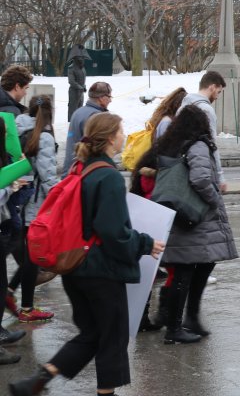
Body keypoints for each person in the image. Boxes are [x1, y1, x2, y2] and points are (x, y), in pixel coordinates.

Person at [8, 112, 166, 395]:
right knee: (113, 336)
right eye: (121, 131)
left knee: (92, 333)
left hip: (74, 266)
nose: (123, 136)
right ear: (110, 138)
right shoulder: (108, 176)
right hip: (100, 270)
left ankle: (38, 380)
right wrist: (145, 243)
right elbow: (113, 232)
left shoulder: (79, 168)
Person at [141, 105, 237, 344]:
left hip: (177, 214)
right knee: (186, 271)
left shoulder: (170, 144)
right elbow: (201, 178)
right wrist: (214, 199)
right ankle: (176, 327)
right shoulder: (198, 145)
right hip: (195, 216)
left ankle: (182, 320)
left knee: (193, 267)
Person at [7, 96, 58, 323]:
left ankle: (10, 292)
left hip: (15, 198)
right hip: (35, 204)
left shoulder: (16, 129)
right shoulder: (44, 136)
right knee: (33, 256)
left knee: (29, 254)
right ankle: (26, 308)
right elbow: (47, 176)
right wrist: (59, 200)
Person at [178, 71, 228, 193]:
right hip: (201, 167)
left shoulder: (183, 106)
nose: (217, 97)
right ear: (212, 87)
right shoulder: (207, 110)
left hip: (182, 166)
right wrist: (220, 176)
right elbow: (212, 144)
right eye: (218, 92)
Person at [62, 80, 111, 175]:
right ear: (101, 98)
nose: (110, 100)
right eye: (109, 97)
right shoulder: (95, 116)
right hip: (84, 172)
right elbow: (97, 148)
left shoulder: (78, 112)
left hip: (72, 168)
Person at [66, 50, 86, 121]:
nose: (82, 59)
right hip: (74, 92)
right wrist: (80, 87)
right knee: (73, 109)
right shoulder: (71, 68)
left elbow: (83, 79)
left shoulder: (82, 68)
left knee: (80, 109)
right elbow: (71, 81)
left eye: (82, 57)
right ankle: (71, 124)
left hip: (81, 91)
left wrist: (84, 86)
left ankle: (78, 123)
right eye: (80, 57)